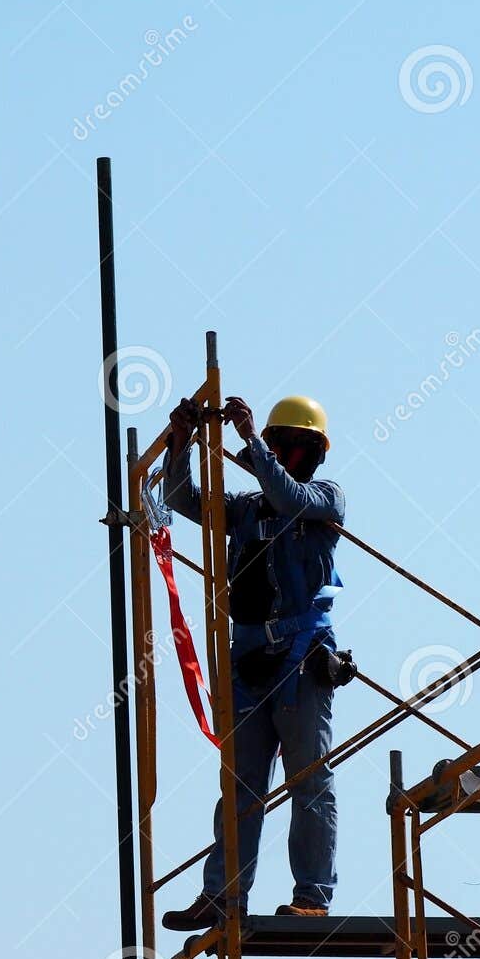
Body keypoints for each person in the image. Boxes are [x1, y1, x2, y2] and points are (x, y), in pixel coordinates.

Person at [158, 393, 346, 926]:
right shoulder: (245, 510)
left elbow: (288, 498)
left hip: (300, 659)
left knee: (308, 779)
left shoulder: (323, 499)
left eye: (292, 445)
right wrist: (181, 443)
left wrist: (250, 442)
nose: (282, 452)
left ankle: (312, 895)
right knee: (239, 785)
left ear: (313, 453)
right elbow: (181, 497)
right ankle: (224, 896)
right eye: (278, 443)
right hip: (247, 659)